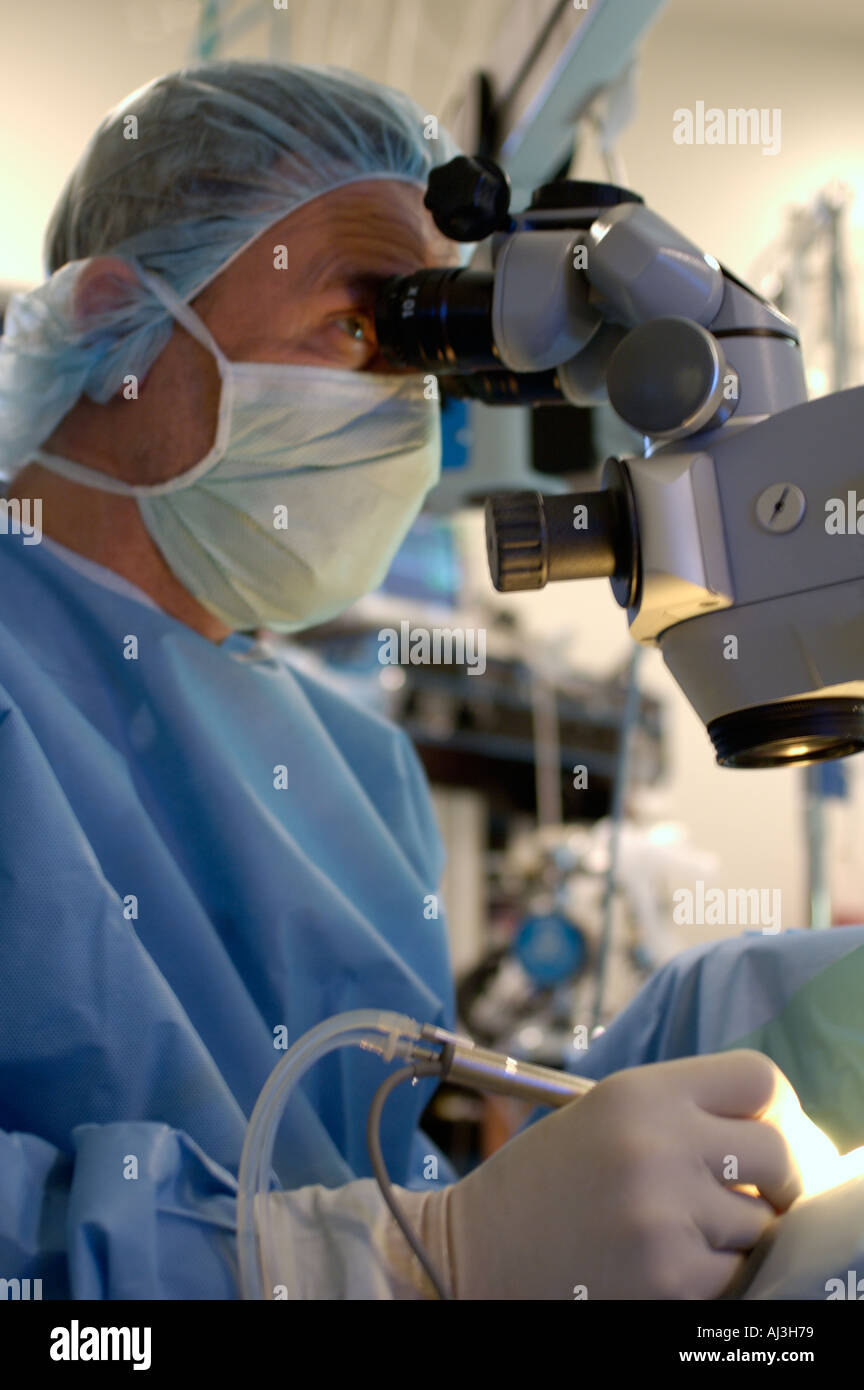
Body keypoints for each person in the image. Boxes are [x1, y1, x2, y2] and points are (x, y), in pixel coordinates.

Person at [0, 59, 849, 1301]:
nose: (399, 413)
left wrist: (750, 1039)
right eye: (359, 328)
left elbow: (379, 1176)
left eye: (419, 359)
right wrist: (372, 1270)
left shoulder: (348, 762)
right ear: (122, 327)